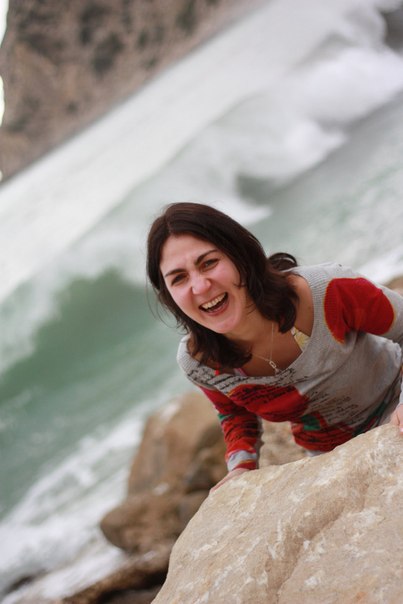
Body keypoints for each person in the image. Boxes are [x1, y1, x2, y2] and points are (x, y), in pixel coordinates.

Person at [146, 202, 403, 490]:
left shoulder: (329, 290)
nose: (200, 286)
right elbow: (234, 413)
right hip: (331, 458)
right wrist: (241, 465)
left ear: (239, 254)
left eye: (209, 263)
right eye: (179, 278)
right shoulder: (199, 361)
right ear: (168, 295)